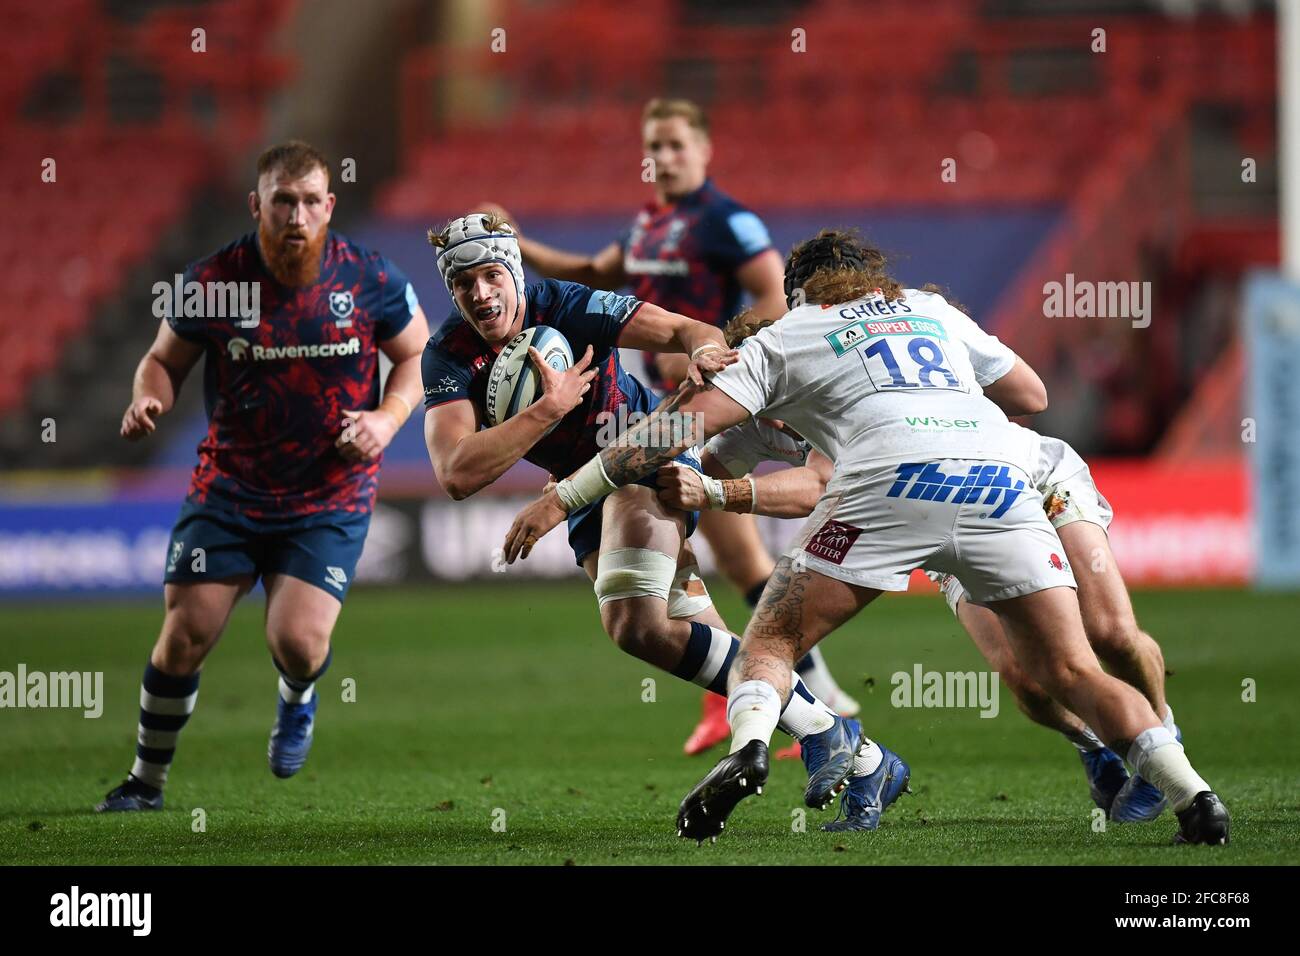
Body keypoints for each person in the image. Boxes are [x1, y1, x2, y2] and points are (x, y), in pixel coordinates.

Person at [502, 229, 1230, 846]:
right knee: (1059, 675)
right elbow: (1033, 397)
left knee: (773, 642)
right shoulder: (928, 308)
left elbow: (677, 438)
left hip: (914, 481)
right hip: (999, 481)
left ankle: (754, 746)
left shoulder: (788, 337)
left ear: (797, 294)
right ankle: (1192, 794)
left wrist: (568, 496)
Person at [423, 213, 890, 819]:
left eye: (492, 275)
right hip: (584, 488)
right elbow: (457, 472)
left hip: (645, 448)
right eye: (464, 283)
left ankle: (824, 739)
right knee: (675, 636)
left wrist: (701, 349)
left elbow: (682, 330)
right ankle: (860, 754)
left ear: (513, 271)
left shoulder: (565, 304)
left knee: (631, 620)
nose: (481, 294)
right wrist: (547, 409)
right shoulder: (447, 355)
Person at [658, 307, 1180, 821]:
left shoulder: (833, 375)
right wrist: (668, 520)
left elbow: (814, 485)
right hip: (936, 504)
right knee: (1023, 677)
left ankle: (1163, 738)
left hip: (1031, 478)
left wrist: (715, 492)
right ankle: (1095, 745)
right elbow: (691, 466)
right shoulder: (755, 418)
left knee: (1109, 632)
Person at [479, 97, 856, 756]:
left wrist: (717, 352)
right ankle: (772, 694)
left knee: (723, 554)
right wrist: (518, 246)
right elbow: (595, 275)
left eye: (677, 144)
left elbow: (773, 294)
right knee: (707, 558)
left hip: (708, 394)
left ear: (705, 150)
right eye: (654, 145)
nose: (664, 157)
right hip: (664, 401)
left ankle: (797, 696)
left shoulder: (725, 220)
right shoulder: (651, 225)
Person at [98, 141, 430, 811]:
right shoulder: (214, 281)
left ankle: (298, 699)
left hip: (328, 493)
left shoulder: (370, 278)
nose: (297, 215)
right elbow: (161, 360)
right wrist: (147, 396)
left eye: (311, 201)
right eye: (283, 201)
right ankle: (146, 782)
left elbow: (418, 354)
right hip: (230, 490)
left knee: (299, 644)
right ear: (258, 205)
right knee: (184, 636)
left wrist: (388, 420)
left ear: (330, 207)